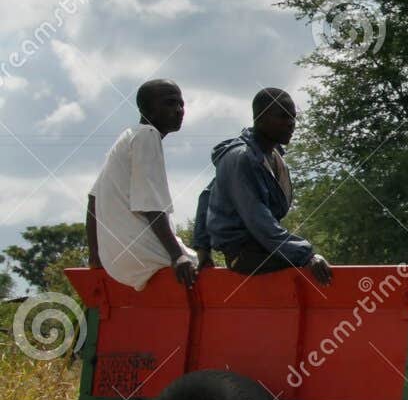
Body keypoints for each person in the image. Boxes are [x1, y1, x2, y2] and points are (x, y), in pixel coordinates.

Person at [193, 87, 332, 284]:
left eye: (293, 117)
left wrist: (202, 246)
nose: (291, 124)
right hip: (246, 256)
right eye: (283, 117)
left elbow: (208, 194)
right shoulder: (241, 158)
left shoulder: (272, 158)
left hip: (263, 247)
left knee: (313, 263)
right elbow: (258, 219)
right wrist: (305, 254)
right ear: (261, 118)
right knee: (312, 267)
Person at [86, 79, 199, 290]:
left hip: (116, 263)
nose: (178, 110)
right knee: (199, 264)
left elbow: (93, 199)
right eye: (169, 103)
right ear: (147, 108)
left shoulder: (127, 137)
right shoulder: (148, 135)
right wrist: (176, 256)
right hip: (143, 256)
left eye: (181, 104)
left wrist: (96, 257)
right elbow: (151, 206)